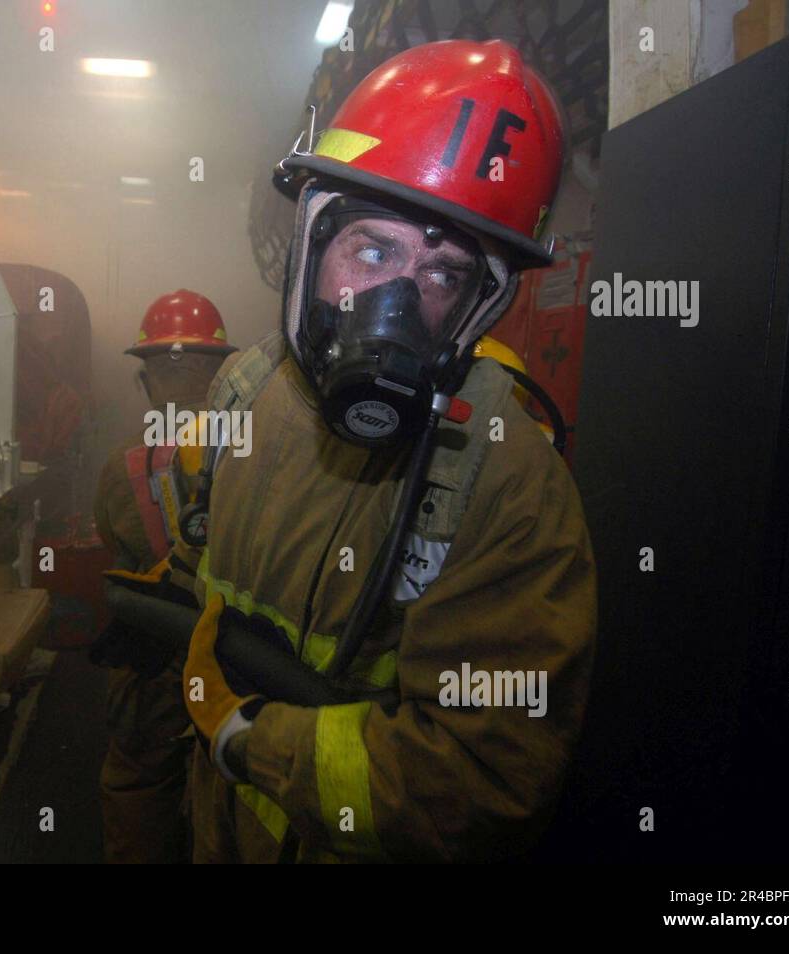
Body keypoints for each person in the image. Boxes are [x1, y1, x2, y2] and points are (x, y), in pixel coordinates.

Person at [178, 39, 597, 863]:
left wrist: (245, 739)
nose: (397, 306)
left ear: (482, 304)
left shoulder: (509, 486)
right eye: (373, 252)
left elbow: (482, 781)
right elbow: (194, 537)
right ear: (312, 240)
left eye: (442, 276)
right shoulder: (239, 390)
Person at [92, 289, 235, 863]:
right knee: (230, 783)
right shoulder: (257, 454)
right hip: (235, 659)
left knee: (137, 778)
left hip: (150, 655)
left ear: (147, 377)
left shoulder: (120, 464)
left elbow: (115, 546)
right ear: (222, 371)